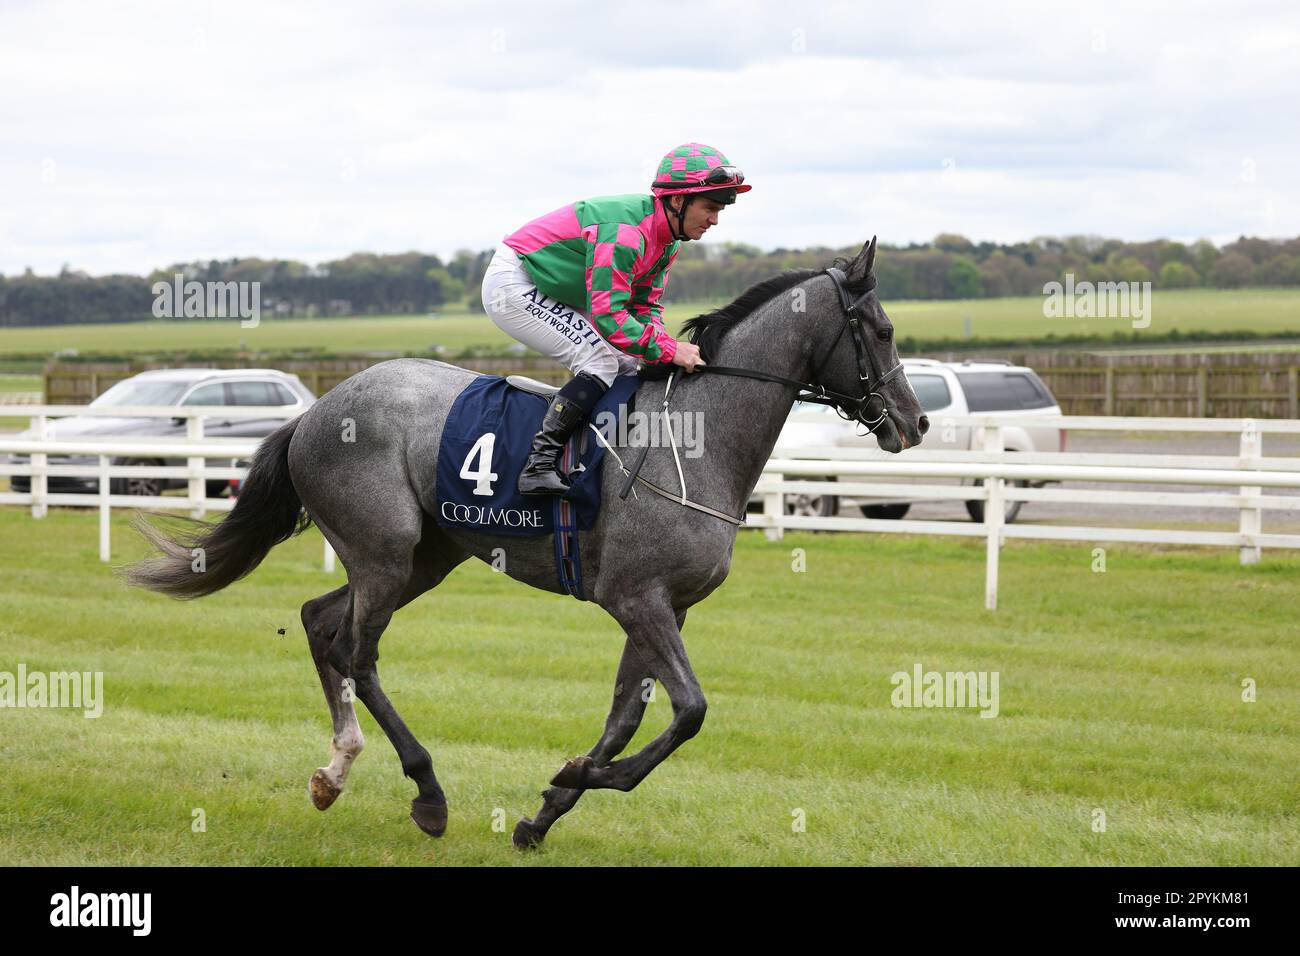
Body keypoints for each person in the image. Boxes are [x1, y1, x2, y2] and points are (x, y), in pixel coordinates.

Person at [480, 142, 751, 496]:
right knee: (600, 359)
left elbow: (644, 307)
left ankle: (602, 459)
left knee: (628, 362)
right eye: (710, 208)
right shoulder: (626, 233)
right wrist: (670, 351)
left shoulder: (667, 241)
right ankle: (539, 464)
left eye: (720, 210)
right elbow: (610, 317)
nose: (715, 220)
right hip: (514, 283)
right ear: (676, 200)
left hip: (561, 290)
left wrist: (662, 348)